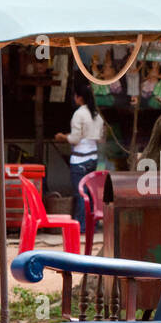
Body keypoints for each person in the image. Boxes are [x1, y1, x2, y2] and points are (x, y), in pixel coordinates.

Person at [55, 81, 104, 230]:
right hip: (92, 158)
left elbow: (75, 139)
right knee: (91, 192)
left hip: (80, 159)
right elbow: (97, 137)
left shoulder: (79, 114)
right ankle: (92, 225)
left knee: (81, 194)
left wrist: (63, 137)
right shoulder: (97, 115)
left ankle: (82, 226)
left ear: (78, 97)